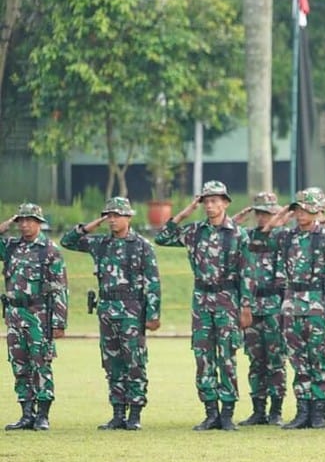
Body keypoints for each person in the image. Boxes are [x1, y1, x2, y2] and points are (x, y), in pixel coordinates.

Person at [154, 181, 252, 431]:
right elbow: (162, 238)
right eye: (206, 201)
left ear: (226, 203)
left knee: (227, 357)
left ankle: (227, 413)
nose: (210, 205)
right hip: (201, 301)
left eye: (215, 200)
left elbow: (247, 273)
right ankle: (210, 412)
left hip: (228, 299)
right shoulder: (194, 231)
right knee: (203, 357)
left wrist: (246, 307)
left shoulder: (238, 234)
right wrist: (184, 213)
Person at [60, 197, 161, 430]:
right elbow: (68, 241)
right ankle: (117, 413)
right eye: (109, 215)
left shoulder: (142, 246)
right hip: (106, 310)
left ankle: (134, 414)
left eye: (117, 215)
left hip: (132, 310)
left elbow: (153, 282)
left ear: (129, 217)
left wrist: (153, 314)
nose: (113, 220)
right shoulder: (100, 243)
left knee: (134, 362)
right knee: (112, 363)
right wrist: (89, 226)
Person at [272, 190, 325, 430]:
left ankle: (320, 412)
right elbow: (262, 239)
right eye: (297, 210)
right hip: (292, 304)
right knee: (298, 360)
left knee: (320, 358)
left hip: (317, 305)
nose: (299, 214)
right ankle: (303, 410)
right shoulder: (287, 237)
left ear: (315, 211)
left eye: (304, 209)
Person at [0, 203, 68, 431]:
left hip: (39, 314)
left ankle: (43, 415)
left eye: (30, 220)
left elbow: (59, 288)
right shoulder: (10, 247)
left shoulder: (49, 250)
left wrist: (59, 322)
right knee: (19, 365)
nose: (25, 224)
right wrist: (6, 224)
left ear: (39, 223)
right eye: (21, 220)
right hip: (14, 314)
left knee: (41, 364)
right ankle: (26, 414)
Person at [232, 192, 288, 426]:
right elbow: (225, 232)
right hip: (252, 307)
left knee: (276, 360)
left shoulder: (283, 238)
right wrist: (237, 218)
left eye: (268, 213)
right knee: (256, 360)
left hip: (275, 306)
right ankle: (258, 409)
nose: (263, 217)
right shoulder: (246, 238)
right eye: (260, 213)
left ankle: (275, 410)